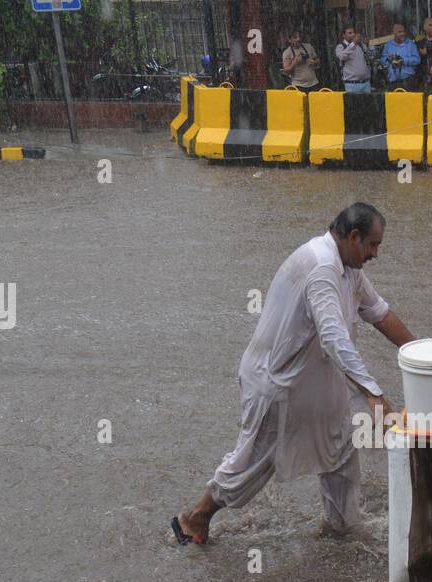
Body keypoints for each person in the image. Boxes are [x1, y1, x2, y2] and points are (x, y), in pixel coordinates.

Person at [173, 204, 417, 545]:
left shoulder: (349, 268)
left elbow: (379, 314)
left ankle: (343, 527)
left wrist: (424, 353)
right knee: (254, 462)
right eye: (373, 245)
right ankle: (195, 517)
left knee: (341, 444)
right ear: (353, 237)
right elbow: (334, 339)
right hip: (278, 384)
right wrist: (373, 393)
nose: (376, 253)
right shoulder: (321, 269)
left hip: (314, 381)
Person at [381, 22, 420, 90]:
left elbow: (417, 60)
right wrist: (388, 59)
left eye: (403, 31)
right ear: (394, 33)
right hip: (393, 82)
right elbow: (382, 60)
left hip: (408, 81)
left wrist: (403, 60)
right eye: (399, 32)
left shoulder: (411, 44)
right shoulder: (388, 45)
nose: (402, 34)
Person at [335, 26, 371, 93]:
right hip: (352, 84)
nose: (353, 34)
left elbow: (369, 57)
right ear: (343, 35)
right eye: (350, 33)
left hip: (366, 83)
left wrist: (367, 45)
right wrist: (353, 43)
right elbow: (342, 57)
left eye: (354, 32)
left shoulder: (360, 45)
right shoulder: (340, 47)